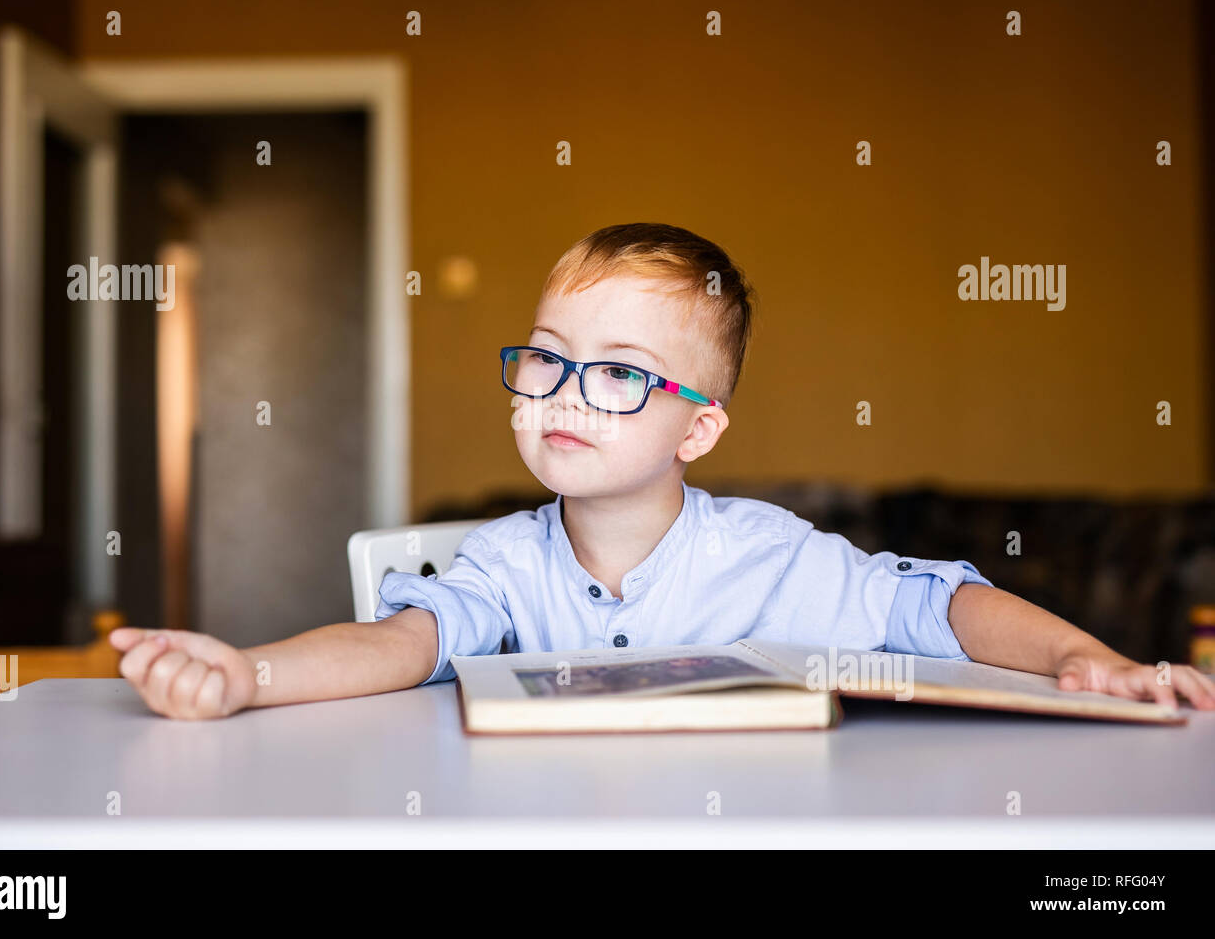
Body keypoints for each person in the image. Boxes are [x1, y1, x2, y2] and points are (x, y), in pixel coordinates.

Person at [110, 222, 1215, 719]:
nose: (563, 391)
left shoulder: (774, 558)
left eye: (621, 374)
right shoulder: (498, 563)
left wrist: (1085, 656)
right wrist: (249, 674)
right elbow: (399, 644)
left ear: (698, 429)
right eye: (547, 358)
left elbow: (942, 606)